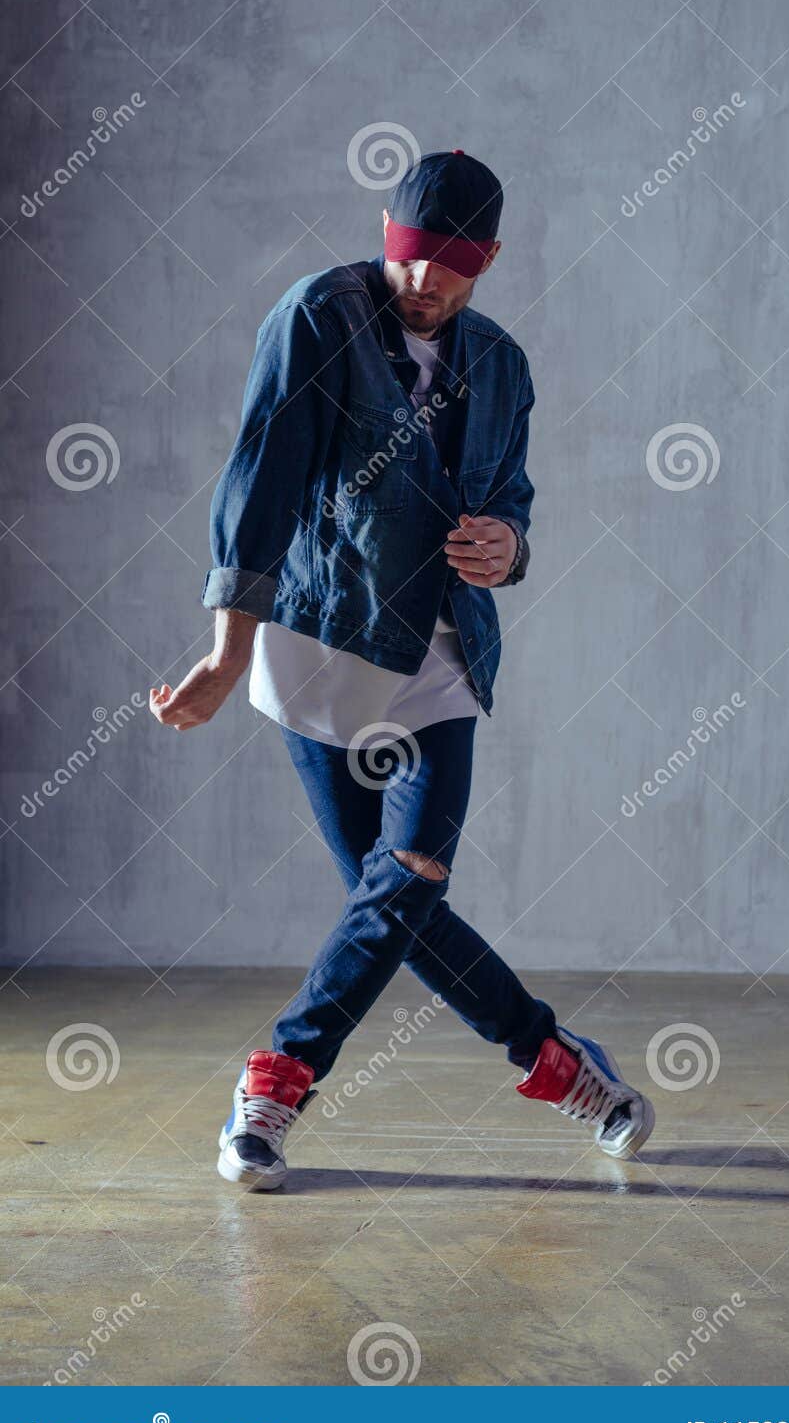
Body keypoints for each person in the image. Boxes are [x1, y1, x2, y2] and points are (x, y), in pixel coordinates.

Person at [149, 149, 655, 1190]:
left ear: (490, 260)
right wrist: (221, 650)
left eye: (453, 265)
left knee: (409, 878)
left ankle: (273, 1086)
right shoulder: (317, 317)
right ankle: (565, 1066)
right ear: (386, 231)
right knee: (393, 909)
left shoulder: (502, 364)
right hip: (316, 649)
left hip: (440, 659)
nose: (426, 281)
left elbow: (512, 497)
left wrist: (507, 549)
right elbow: (261, 484)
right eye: (411, 256)